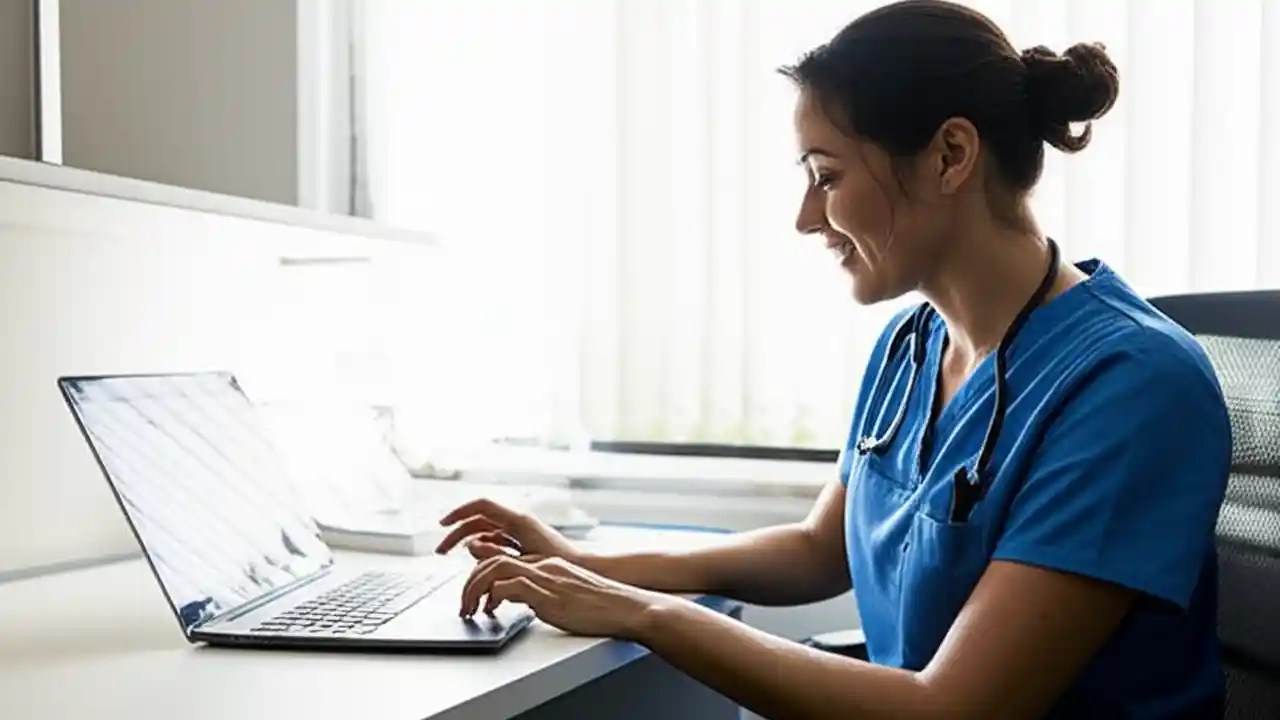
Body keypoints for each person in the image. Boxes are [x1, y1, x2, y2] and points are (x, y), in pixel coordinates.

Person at [435, 1, 1232, 717]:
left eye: (827, 176)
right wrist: (590, 563)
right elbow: (821, 549)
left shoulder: (1133, 384)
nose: (805, 217)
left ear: (951, 155)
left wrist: (645, 613)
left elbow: (953, 709)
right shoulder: (912, 346)